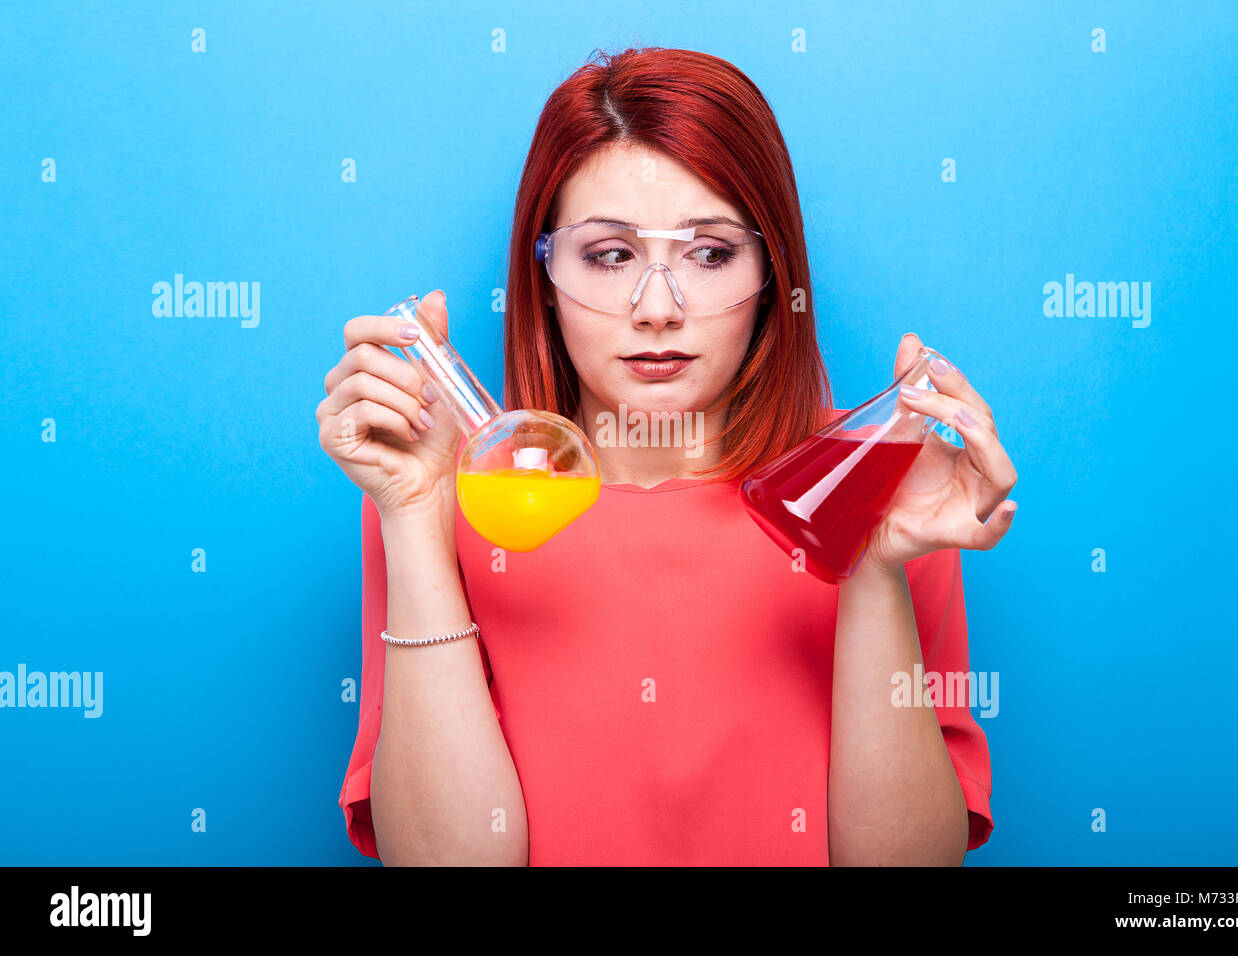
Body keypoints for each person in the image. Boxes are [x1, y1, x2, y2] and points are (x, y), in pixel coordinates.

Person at [317, 46, 1018, 866]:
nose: (658, 309)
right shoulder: (457, 487)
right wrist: (413, 517)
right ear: (544, 273)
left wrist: (865, 557)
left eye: (710, 253)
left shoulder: (873, 482)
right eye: (611, 256)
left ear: (770, 273)